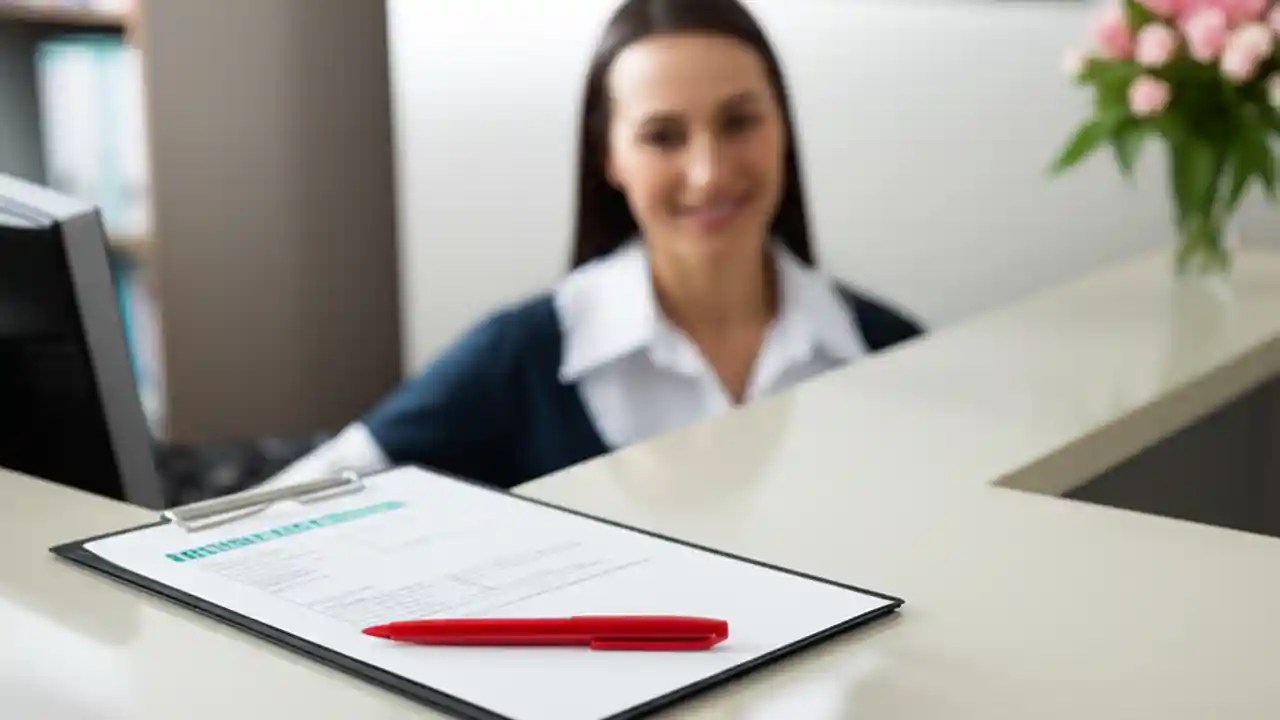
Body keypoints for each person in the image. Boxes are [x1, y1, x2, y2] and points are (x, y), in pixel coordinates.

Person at [267, 0, 922, 490]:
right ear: (608, 156)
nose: (709, 172)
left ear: (783, 127)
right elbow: (284, 510)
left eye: (740, 122)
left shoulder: (894, 352)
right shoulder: (519, 357)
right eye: (663, 136)